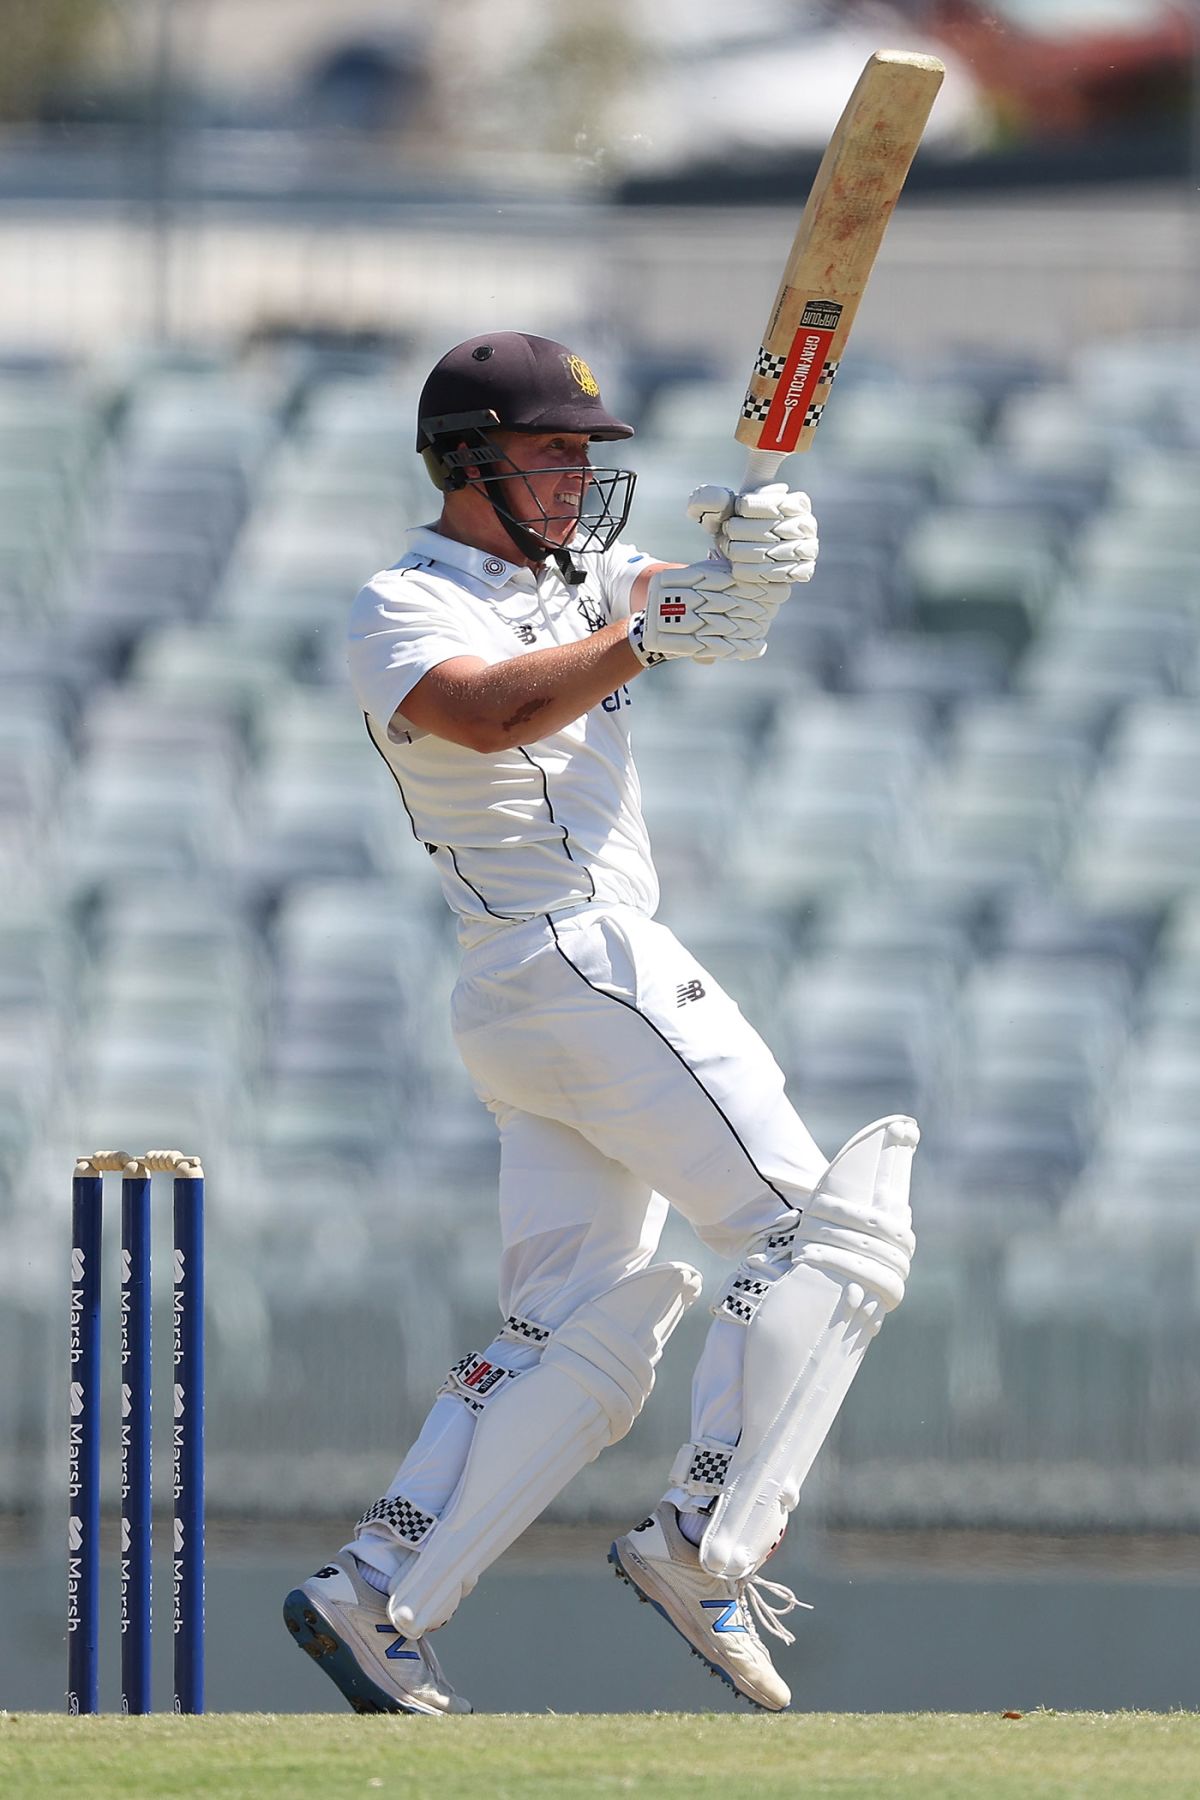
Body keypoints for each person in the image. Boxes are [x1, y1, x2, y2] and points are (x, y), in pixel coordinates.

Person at [283, 332, 918, 1716]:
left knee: (582, 1331)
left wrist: (756, 565)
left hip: (541, 997)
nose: (579, 476)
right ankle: (707, 1541)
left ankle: (376, 1595)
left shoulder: (577, 577)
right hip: (572, 955)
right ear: (469, 462)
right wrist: (657, 626)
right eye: (552, 451)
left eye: (588, 453)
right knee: (829, 1239)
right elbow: (485, 715)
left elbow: (704, 615)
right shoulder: (400, 603)